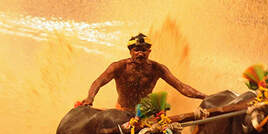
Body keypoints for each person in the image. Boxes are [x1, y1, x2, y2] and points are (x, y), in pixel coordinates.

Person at [78, 33, 206, 111]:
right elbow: (98, 82)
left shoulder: (158, 69)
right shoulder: (118, 67)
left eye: (144, 50)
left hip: (146, 113)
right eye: (136, 50)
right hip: (122, 111)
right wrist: (90, 98)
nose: (140, 53)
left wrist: (205, 97)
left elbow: (181, 87)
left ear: (149, 51)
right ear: (130, 51)